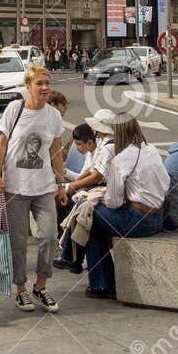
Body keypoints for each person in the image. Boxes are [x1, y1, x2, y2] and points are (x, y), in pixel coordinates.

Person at [0, 66, 66, 313]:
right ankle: (21, 290)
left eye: (47, 83)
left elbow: (56, 151)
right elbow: (2, 144)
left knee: (49, 236)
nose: (45, 88)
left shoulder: (53, 115)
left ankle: (41, 285)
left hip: (44, 186)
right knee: (18, 241)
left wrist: (61, 183)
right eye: (40, 84)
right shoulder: (15, 109)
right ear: (28, 86)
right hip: (16, 186)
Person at [84, 116, 170, 298]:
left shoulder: (121, 159)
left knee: (87, 213)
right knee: (95, 222)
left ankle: (100, 283)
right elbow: (166, 182)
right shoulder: (152, 150)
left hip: (137, 221)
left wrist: (100, 198)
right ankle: (98, 279)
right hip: (158, 217)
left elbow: (113, 202)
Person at [55, 115, 115, 273]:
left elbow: (96, 176)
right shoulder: (102, 145)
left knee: (82, 210)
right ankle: (73, 256)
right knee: (79, 208)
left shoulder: (107, 146)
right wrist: (73, 184)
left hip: (110, 195)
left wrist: (73, 185)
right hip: (105, 191)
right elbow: (90, 172)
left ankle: (72, 256)